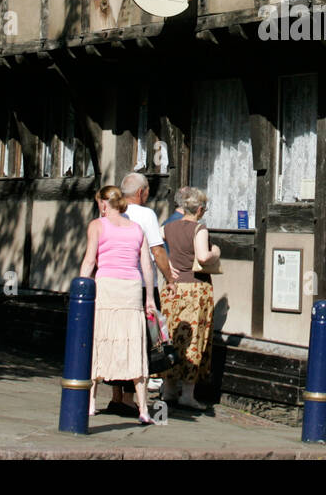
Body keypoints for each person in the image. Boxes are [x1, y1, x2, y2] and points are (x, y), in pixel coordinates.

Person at [79, 185, 155, 425]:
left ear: (103, 204)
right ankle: (143, 408)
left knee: (100, 338)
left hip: (107, 286)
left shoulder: (97, 225)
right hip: (132, 287)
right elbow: (146, 267)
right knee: (134, 342)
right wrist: (150, 298)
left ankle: (90, 401)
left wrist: (81, 287)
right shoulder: (137, 229)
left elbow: (90, 259)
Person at [160, 187, 220, 410]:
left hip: (173, 289)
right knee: (193, 339)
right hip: (195, 289)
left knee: (172, 336)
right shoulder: (199, 228)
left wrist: (168, 265)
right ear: (200, 209)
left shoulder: (168, 227)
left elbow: (152, 244)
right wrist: (217, 251)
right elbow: (203, 257)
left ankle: (168, 389)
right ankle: (187, 393)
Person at [119, 172, 177, 396]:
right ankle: (134, 396)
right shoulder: (146, 214)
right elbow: (157, 250)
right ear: (141, 192)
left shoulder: (112, 212)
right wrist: (170, 278)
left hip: (117, 284)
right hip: (142, 285)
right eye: (147, 193)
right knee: (142, 339)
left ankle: (120, 396)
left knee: (120, 337)